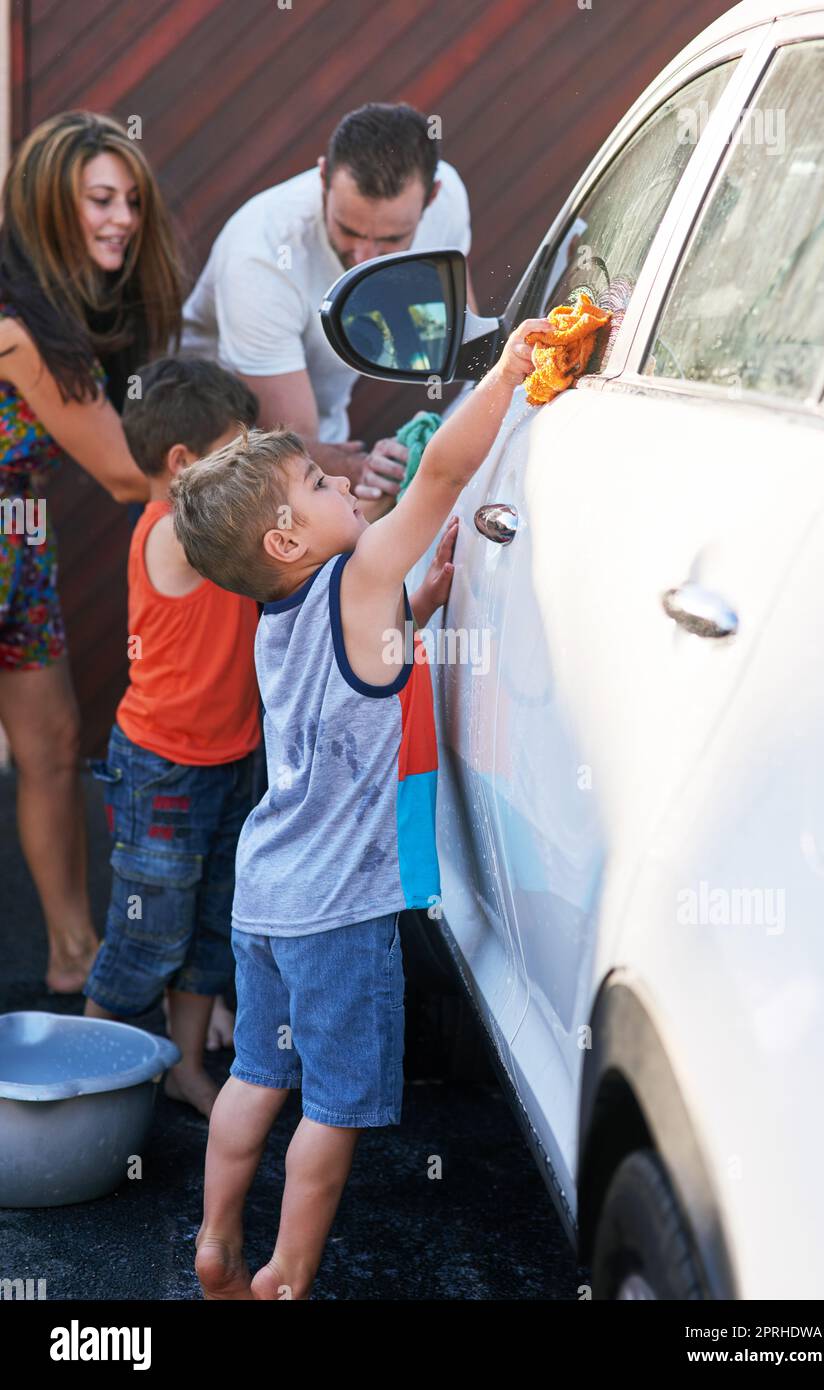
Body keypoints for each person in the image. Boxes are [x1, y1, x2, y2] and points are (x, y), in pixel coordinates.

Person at [167, 313, 552, 1298]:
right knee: (333, 1107)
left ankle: (215, 1240)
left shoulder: (279, 615)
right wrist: (506, 371)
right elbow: (442, 475)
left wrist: (418, 608)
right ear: (288, 537)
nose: (343, 487)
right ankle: (288, 1274)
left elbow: (346, 677)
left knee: (257, 1076)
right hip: (337, 912)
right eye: (319, 484)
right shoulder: (360, 574)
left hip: (266, 894)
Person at [0, 111, 184, 994]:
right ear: (49, 207)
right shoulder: (17, 328)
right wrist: (266, 487)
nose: (123, 219)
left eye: (132, 201)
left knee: (54, 745)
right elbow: (122, 473)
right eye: (100, 200)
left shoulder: (66, 317)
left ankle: (72, 955)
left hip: (21, 545)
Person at [82, 358, 264, 1117]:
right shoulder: (173, 531)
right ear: (184, 463)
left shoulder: (209, 518)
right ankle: (85, 1067)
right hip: (163, 767)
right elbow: (270, 543)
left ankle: (184, 1066)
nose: (251, 467)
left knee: (209, 930)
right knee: (147, 933)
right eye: (237, 454)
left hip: (230, 758)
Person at [181, 101, 478, 510]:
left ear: (432, 197)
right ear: (323, 178)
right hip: (214, 471)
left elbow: (463, 343)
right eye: (348, 230)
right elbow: (291, 449)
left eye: (392, 239)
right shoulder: (263, 256)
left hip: (324, 439)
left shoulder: (449, 200)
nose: (364, 256)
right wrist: (374, 469)